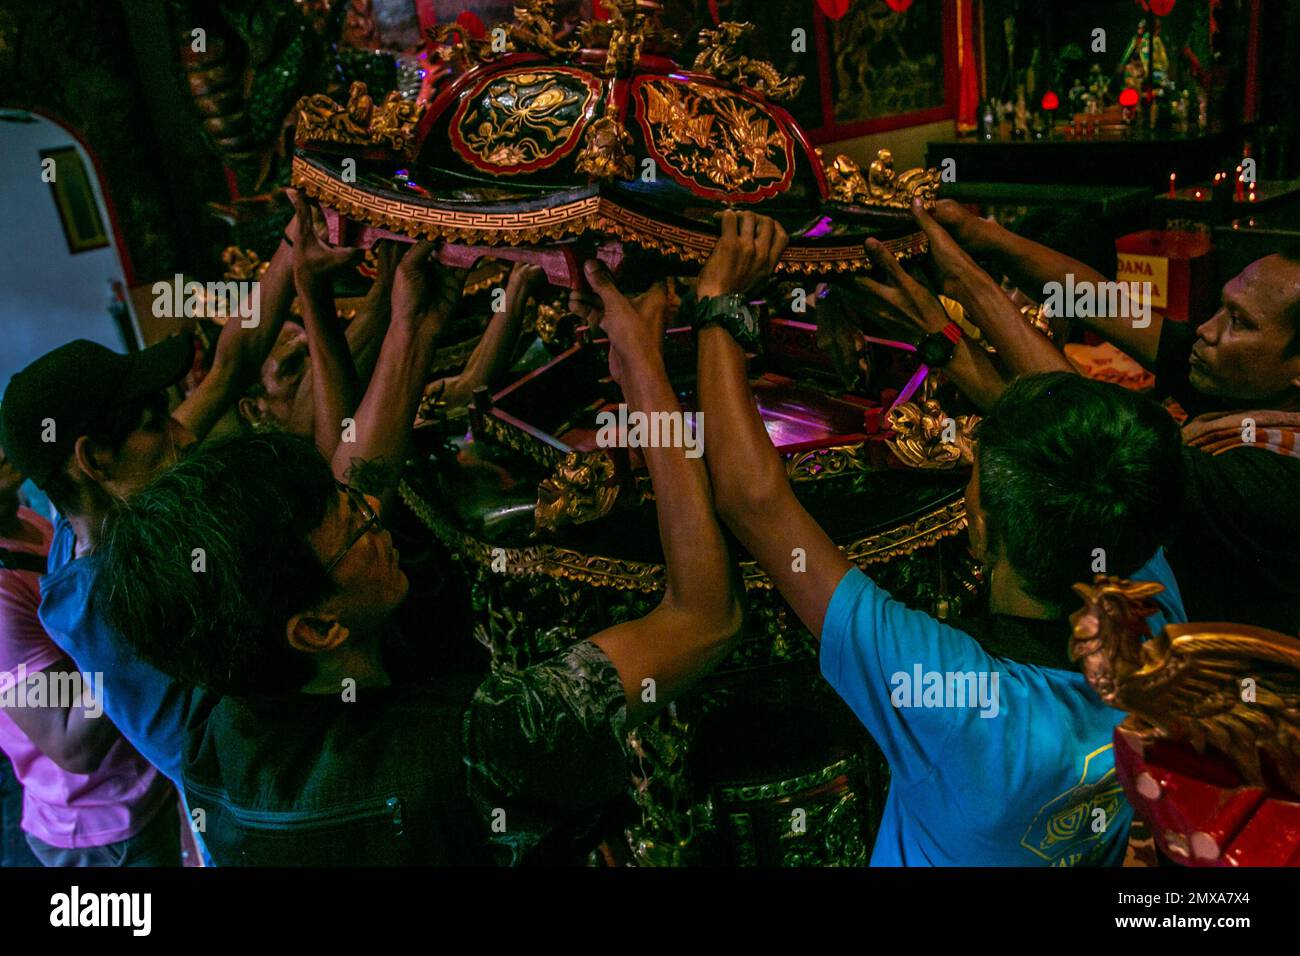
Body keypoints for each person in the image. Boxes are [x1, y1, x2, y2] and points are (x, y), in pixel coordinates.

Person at [93, 252, 740, 865]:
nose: (378, 518)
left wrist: (411, 326)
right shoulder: (471, 746)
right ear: (318, 629)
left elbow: (358, 475)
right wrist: (648, 370)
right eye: (357, 527)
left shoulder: (217, 730)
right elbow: (705, 619)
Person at [693, 210, 1187, 865]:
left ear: (978, 533)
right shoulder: (1154, 604)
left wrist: (718, 304)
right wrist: (943, 323)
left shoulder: (953, 692)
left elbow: (753, 504)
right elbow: (1073, 423)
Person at [911, 200, 1300, 635]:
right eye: (1221, 308)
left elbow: (1085, 423)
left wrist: (964, 282)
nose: (1207, 330)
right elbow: (1101, 302)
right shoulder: (1247, 385)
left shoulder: (1275, 480)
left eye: (1240, 322)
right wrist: (987, 237)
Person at [0, 441, 179, 866]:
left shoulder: (23, 521)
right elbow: (71, 745)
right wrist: (143, 620)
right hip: (99, 828)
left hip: (136, 790)